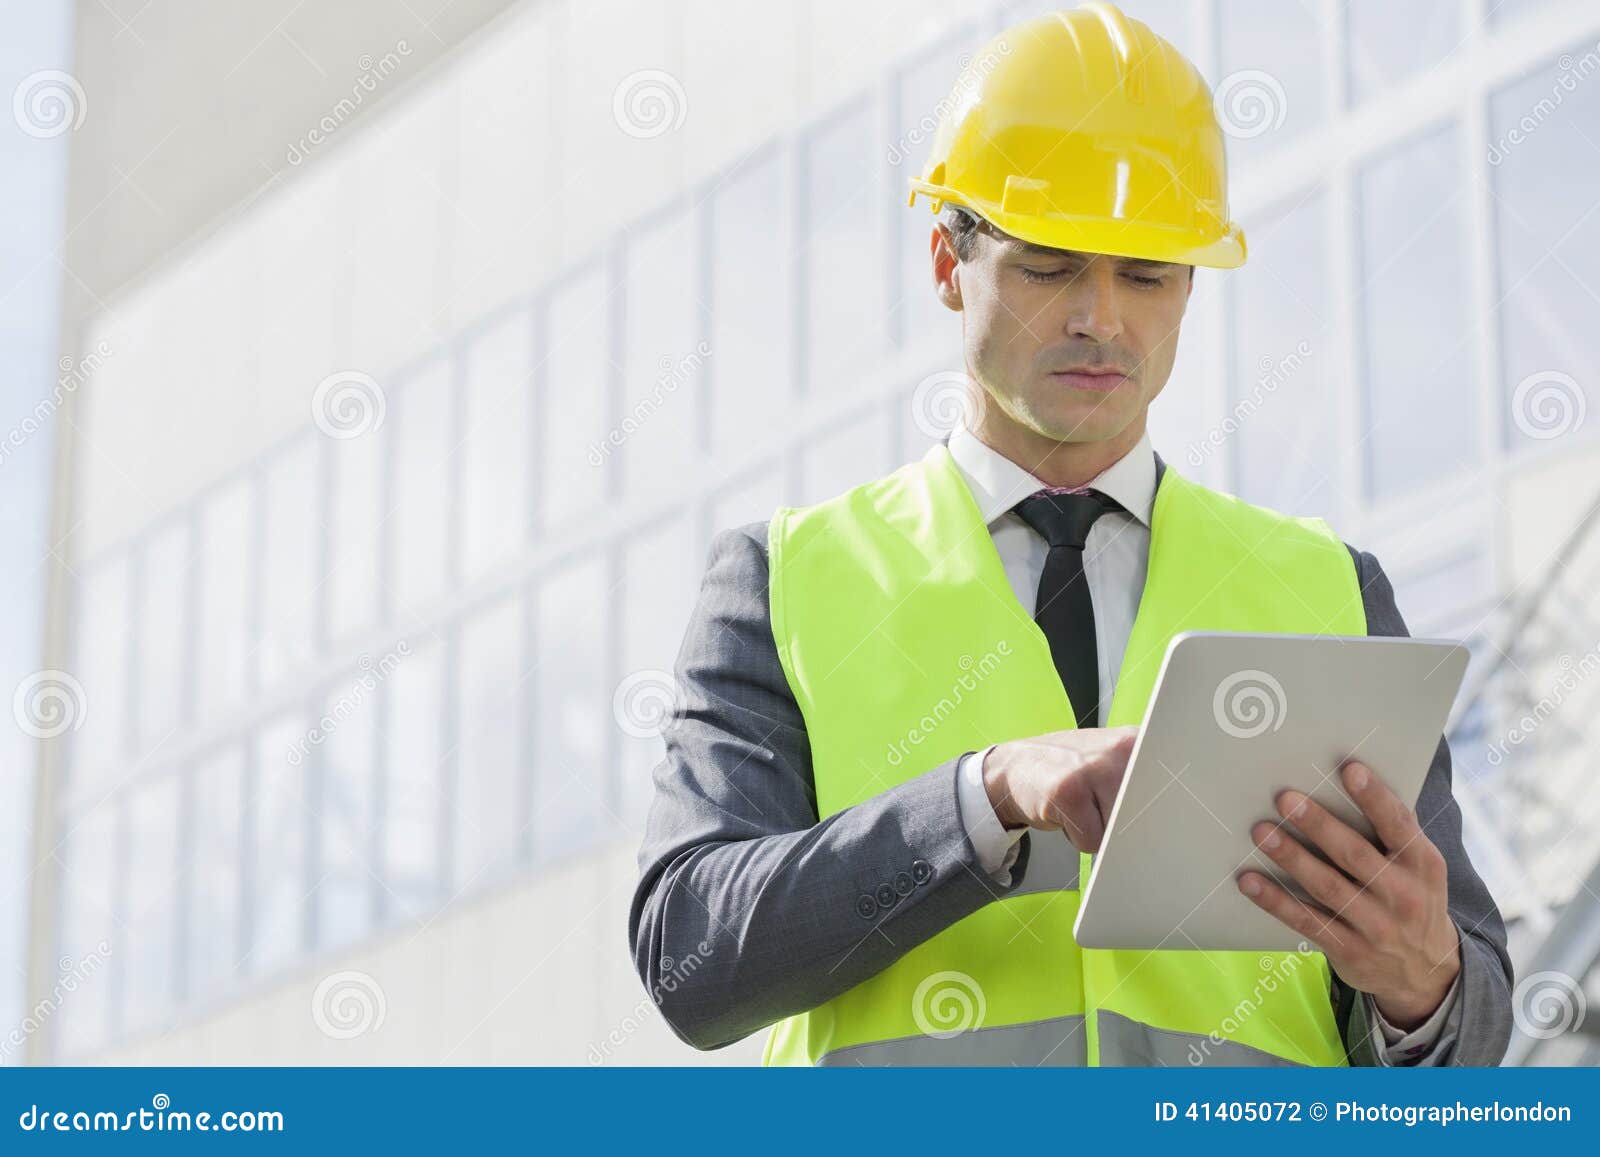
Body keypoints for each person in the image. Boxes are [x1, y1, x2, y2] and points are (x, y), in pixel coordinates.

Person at [628, 2, 1513, 1066]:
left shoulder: (1328, 587)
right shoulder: (785, 580)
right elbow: (689, 954)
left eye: (1147, 273)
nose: (1102, 315)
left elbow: (1466, 1026)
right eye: (1050, 265)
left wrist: (1422, 985)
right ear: (948, 265)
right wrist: (981, 796)